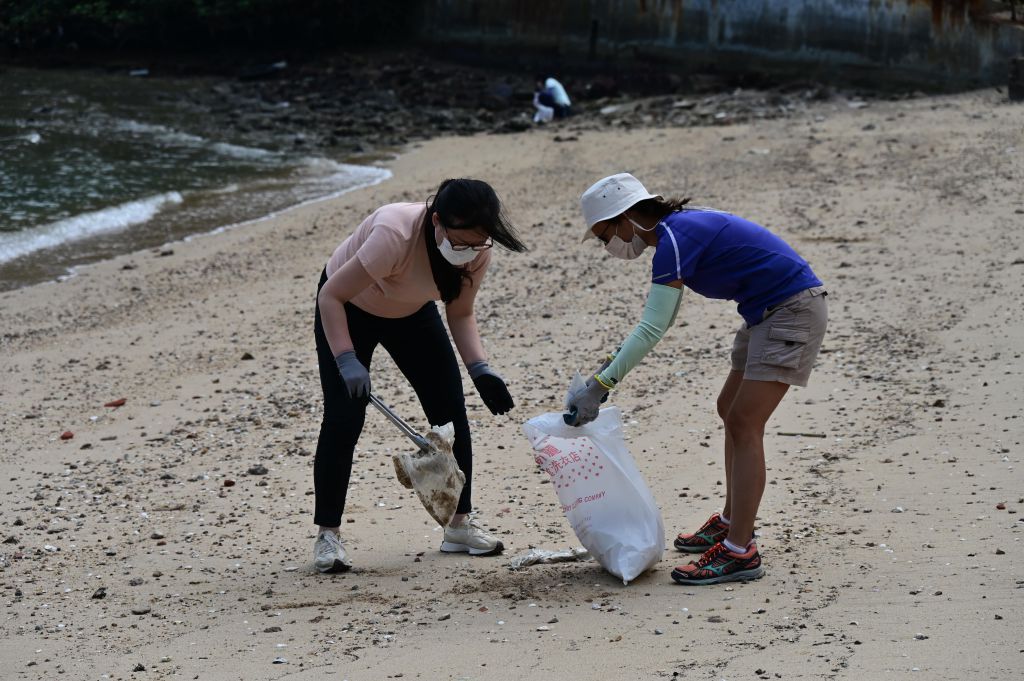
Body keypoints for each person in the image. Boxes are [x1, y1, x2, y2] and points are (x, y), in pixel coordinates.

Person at [566, 172, 827, 585]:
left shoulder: (673, 239)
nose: (608, 245)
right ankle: (730, 520)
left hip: (791, 311)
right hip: (761, 312)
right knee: (730, 409)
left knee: (745, 421)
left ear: (626, 217)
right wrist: (602, 380)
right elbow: (661, 321)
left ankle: (741, 551)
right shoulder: (676, 231)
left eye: (605, 234)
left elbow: (651, 329)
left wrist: (600, 385)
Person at [312, 179, 527, 573]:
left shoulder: (478, 250)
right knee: (344, 419)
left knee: (450, 413)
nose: (466, 253)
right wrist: (345, 358)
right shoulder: (394, 234)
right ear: (436, 221)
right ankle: (328, 535)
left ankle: (458, 526)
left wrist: (481, 370)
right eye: (458, 242)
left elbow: (460, 313)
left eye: (476, 244)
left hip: (411, 313)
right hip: (349, 308)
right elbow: (331, 296)